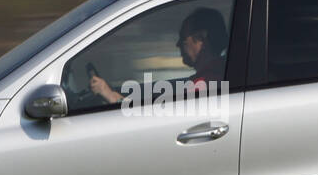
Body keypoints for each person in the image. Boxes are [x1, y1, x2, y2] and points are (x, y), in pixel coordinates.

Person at [89, 7, 228, 105]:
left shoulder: (205, 83)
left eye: (183, 38)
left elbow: (156, 121)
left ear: (201, 39)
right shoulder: (216, 74)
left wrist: (112, 97)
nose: (178, 44)